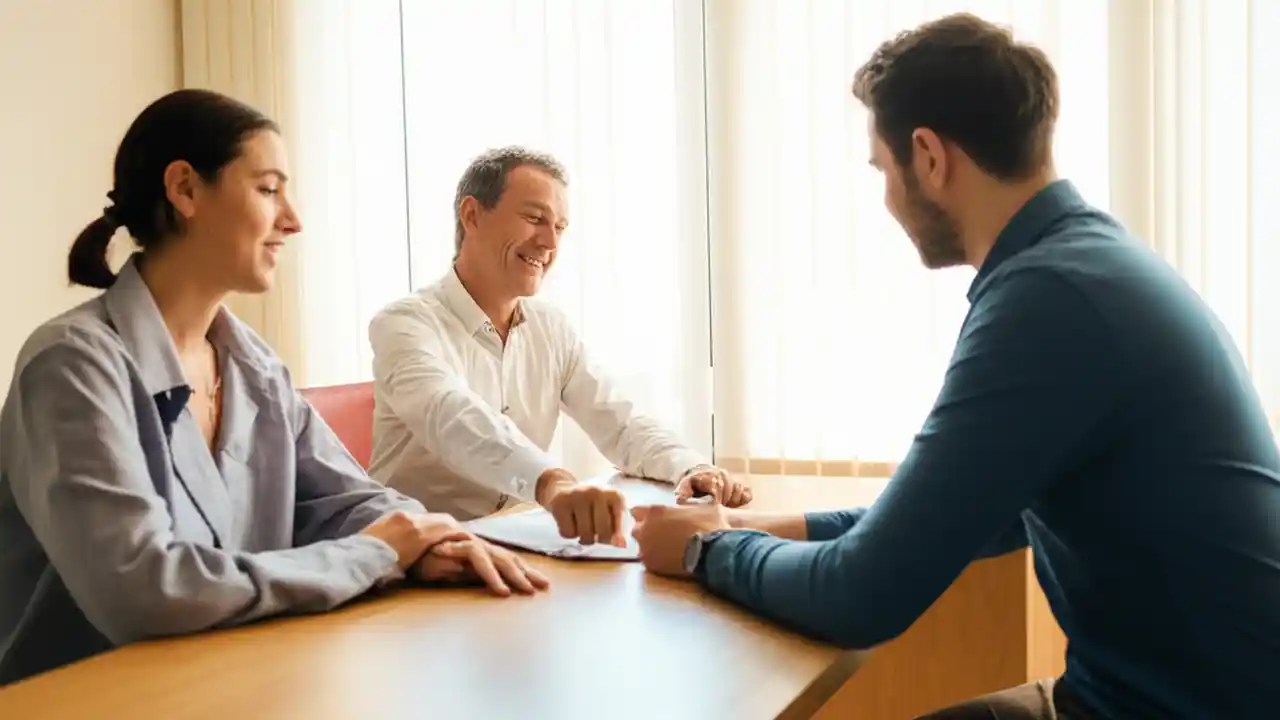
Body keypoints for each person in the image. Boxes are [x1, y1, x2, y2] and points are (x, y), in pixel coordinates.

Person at [630, 13, 1280, 720]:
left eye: (882, 169)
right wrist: (763, 529)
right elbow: (987, 514)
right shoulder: (1085, 264)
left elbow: (862, 597)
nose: (885, 197)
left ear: (930, 157)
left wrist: (706, 554)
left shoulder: (1048, 300)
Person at [0, 89, 547, 685]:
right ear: (184, 189)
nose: (293, 219)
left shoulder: (253, 368)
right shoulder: (70, 367)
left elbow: (350, 501)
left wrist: (433, 543)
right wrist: (381, 552)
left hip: (229, 679)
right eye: (268, 189)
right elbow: (144, 591)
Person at [368, 146, 750, 546]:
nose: (549, 242)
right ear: (472, 215)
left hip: (513, 545)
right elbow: (451, 415)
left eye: (560, 227)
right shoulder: (404, 324)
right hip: (420, 557)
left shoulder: (551, 329)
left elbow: (621, 424)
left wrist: (690, 467)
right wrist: (552, 482)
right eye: (535, 218)